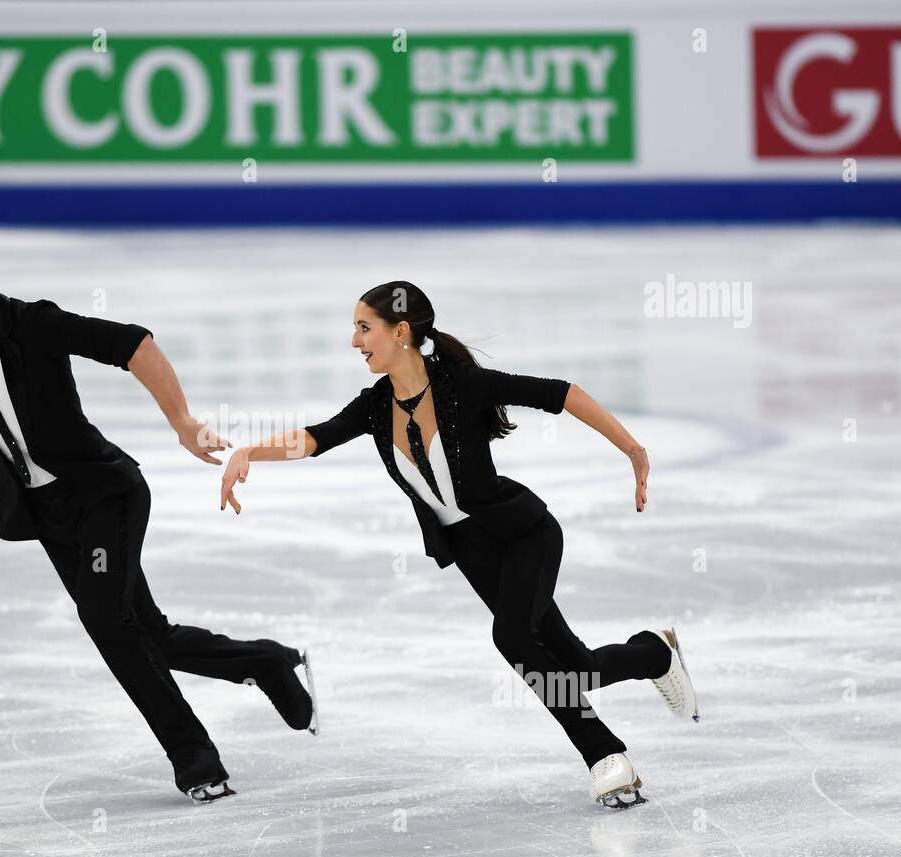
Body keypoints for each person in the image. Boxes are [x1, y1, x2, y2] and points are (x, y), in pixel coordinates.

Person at [0, 218, 316, 804]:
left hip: (105, 496)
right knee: (146, 634)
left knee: (108, 623)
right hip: (48, 516)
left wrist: (182, 421)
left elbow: (133, 345)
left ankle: (197, 761)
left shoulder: (33, 324)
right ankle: (266, 662)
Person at [219, 280, 699, 809]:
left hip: (524, 536)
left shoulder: (463, 385)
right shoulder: (376, 407)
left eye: (363, 328)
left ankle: (605, 756)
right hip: (471, 553)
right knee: (572, 665)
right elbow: (315, 437)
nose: (354, 342)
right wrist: (250, 453)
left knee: (513, 640)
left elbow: (560, 393)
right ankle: (655, 652)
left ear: (400, 331)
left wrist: (632, 449)